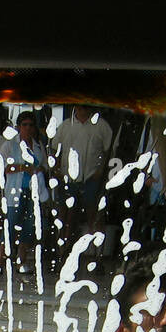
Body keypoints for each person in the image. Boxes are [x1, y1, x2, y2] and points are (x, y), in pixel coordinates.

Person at [53, 105, 114, 247]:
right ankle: (63, 247)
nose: (82, 109)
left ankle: (95, 250)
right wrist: (56, 169)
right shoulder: (66, 125)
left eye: (85, 106)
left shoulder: (101, 126)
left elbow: (109, 150)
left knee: (93, 212)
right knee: (65, 212)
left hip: (91, 175)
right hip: (68, 176)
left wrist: (101, 170)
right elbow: (55, 148)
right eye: (80, 107)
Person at [0, 111, 49, 273]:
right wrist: (22, 167)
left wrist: (37, 169)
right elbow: (3, 167)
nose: (27, 128)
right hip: (15, 191)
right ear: (19, 127)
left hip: (33, 191)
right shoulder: (9, 145)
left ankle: (21, 261)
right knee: (10, 226)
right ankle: (1, 261)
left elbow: (44, 166)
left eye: (30, 125)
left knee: (28, 227)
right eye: (24, 125)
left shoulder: (38, 146)